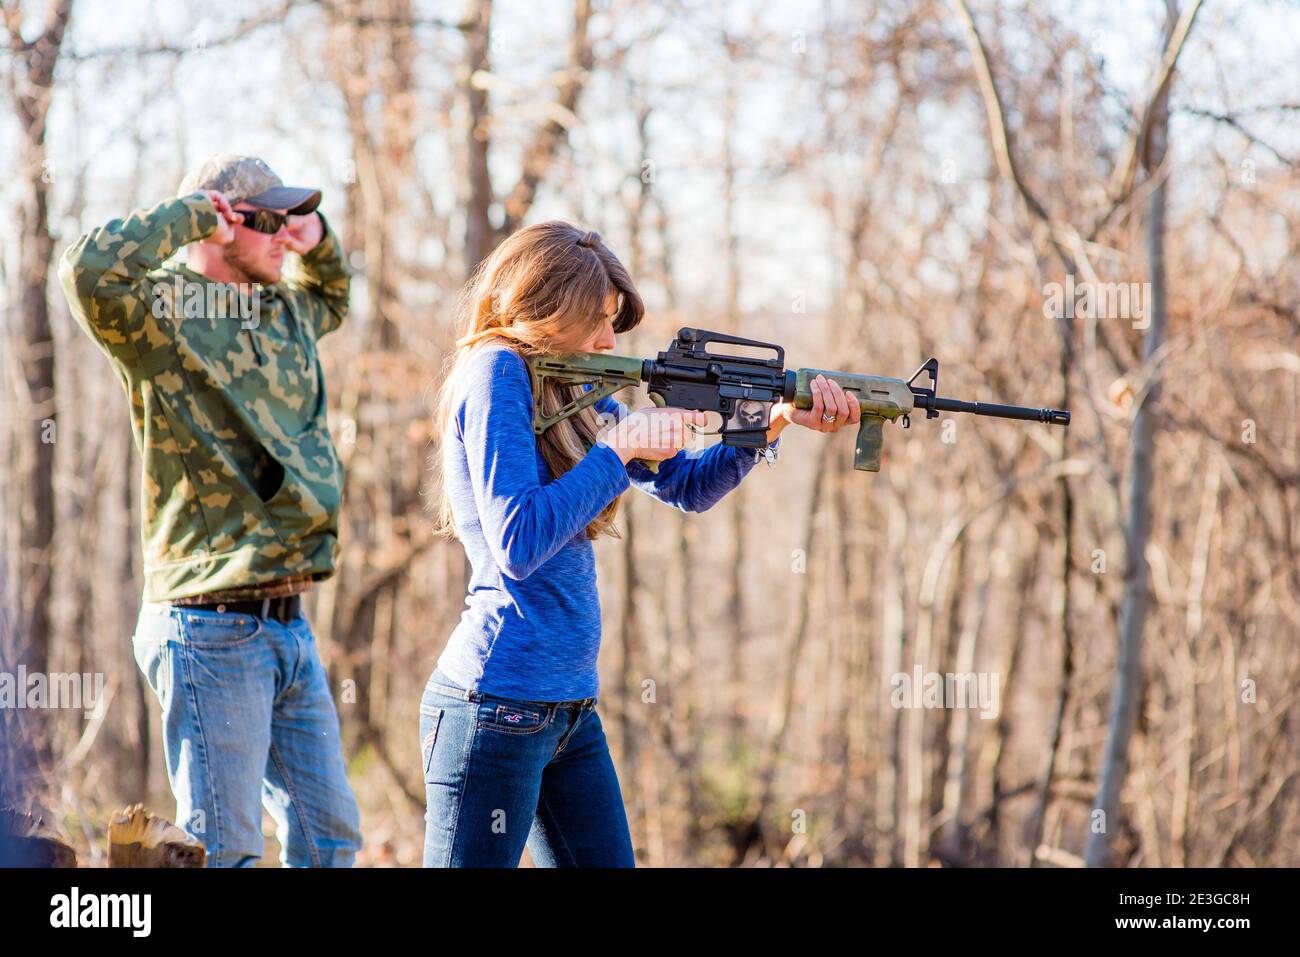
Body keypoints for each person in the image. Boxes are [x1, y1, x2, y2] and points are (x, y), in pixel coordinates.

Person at [422, 220, 861, 866]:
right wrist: (619, 449)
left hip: (568, 711)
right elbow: (517, 539)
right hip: (495, 706)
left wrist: (768, 425)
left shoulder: (571, 385)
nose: (609, 339)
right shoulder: (495, 372)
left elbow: (687, 486)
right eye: (594, 320)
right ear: (543, 309)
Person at [59, 154, 362, 867]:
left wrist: (319, 241)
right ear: (223, 222)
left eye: (294, 222)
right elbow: (86, 271)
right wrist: (190, 212)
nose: (287, 237)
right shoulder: (161, 313)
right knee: (225, 852)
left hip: (290, 629)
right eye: (271, 222)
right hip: (209, 626)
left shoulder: (286, 310)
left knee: (331, 841)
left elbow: (336, 297)